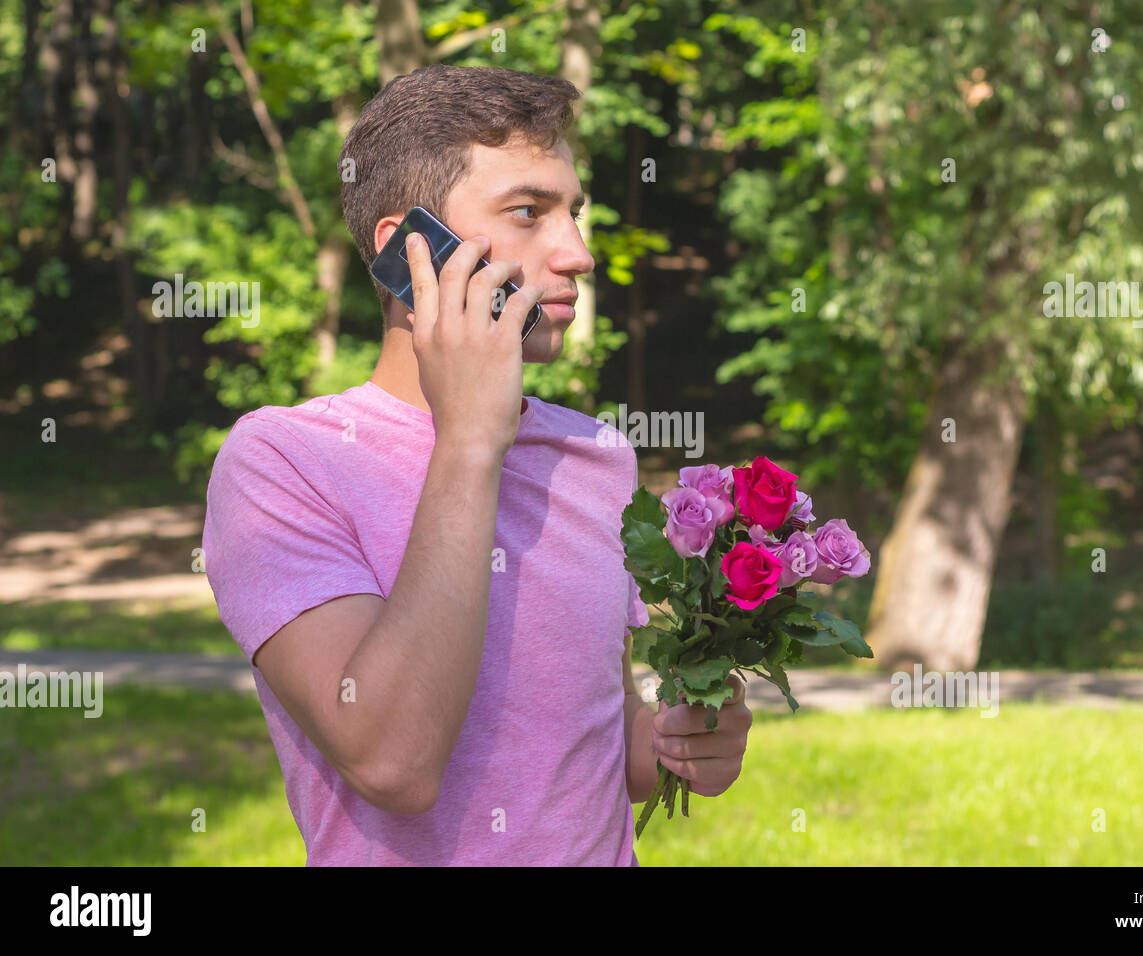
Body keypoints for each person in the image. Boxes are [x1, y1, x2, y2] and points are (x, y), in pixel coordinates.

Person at [201, 64, 751, 866]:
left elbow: (591, 738)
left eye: (576, 214)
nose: (579, 255)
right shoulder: (284, 461)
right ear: (408, 252)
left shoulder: (598, 458)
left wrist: (677, 741)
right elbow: (392, 759)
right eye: (529, 212)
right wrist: (469, 441)